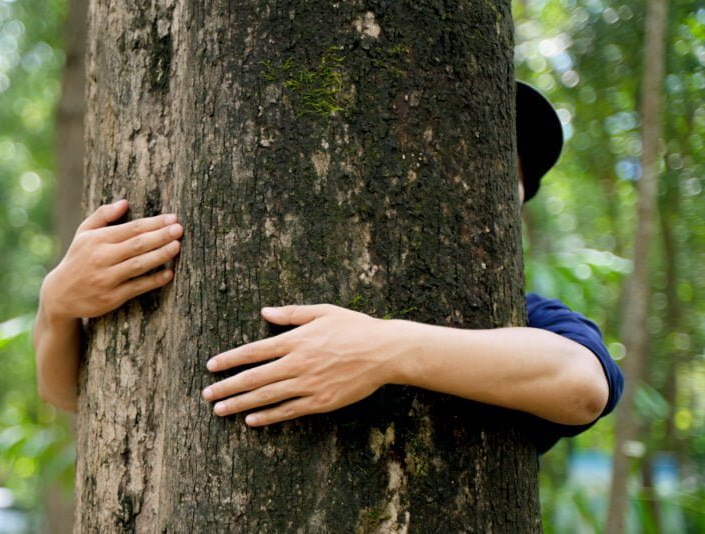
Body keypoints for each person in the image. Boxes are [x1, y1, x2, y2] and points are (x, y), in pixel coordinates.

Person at [33, 81, 624, 455]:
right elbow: (74, 394)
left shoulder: (504, 318)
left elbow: (583, 383)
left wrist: (386, 350)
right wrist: (57, 304)